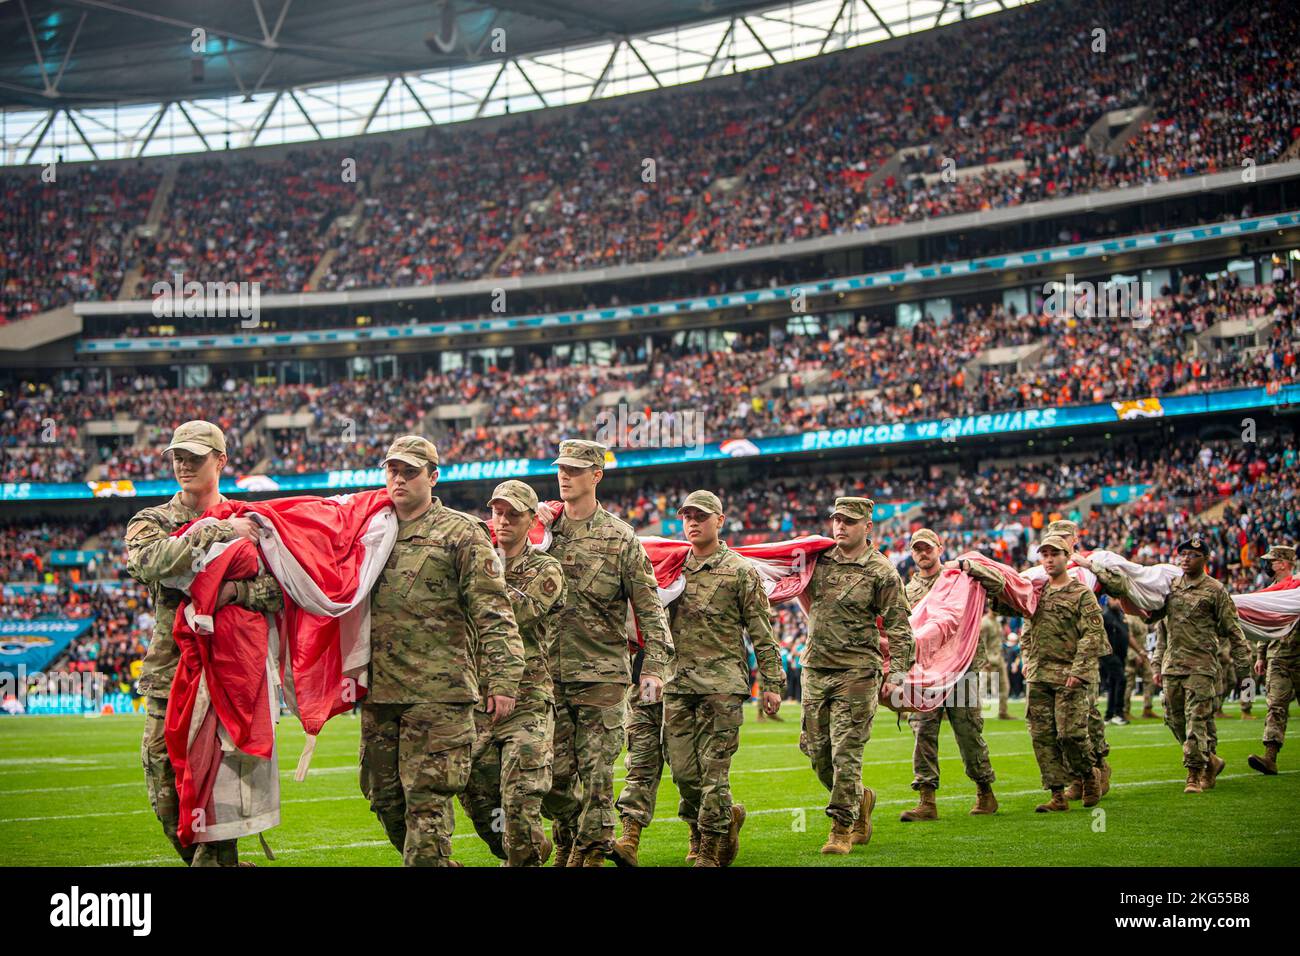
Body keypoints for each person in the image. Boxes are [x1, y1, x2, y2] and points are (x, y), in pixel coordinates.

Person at [360, 436, 524, 866]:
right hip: (379, 695)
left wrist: (504, 680)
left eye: (410, 471)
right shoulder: (369, 529)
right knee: (384, 800)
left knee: (427, 805)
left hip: (441, 695)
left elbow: (494, 610)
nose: (399, 478)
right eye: (392, 470)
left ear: (433, 476)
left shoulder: (461, 532)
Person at [125, 420, 279, 867]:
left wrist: (235, 593)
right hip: (169, 677)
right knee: (166, 799)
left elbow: (277, 591)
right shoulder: (152, 521)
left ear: (221, 461)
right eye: (178, 455)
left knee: (217, 800)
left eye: (195, 456)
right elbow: (150, 562)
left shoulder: (250, 520)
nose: (184, 464)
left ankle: (218, 863)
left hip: (229, 679)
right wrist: (217, 533)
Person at [542, 440, 672, 867]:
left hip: (602, 676)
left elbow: (650, 608)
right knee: (555, 777)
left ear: (596, 475)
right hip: (549, 675)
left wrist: (653, 666)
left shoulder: (620, 537)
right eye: (562, 468)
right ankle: (569, 841)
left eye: (575, 470)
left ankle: (591, 851)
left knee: (597, 773)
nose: (565, 476)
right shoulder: (544, 534)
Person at [657, 490, 783, 867]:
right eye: (687, 516)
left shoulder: (741, 571)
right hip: (678, 683)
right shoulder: (671, 568)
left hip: (723, 685)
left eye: (701, 516)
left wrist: (772, 683)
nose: (693, 522)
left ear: (720, 521)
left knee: (714, 771)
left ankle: (709, 844)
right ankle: (719, 820)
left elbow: (762, 631)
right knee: (682, 772)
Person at [460, 480, 566, 866]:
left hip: (527, 699)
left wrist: (481, 580)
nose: (502, 520)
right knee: (478, 801)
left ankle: (524, 855)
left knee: (519, 798)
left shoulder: (545, 568)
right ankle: (521, 851)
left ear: (530, 520)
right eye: (497, 512)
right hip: (479, 700)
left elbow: (515, 613)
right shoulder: (473, 560)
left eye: (513, 514)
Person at [800, 497, 914, 854]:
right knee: (817, 752)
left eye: (848, 521)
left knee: (846, 753)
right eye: (836, 520)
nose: (839, 527)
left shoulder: (881, 571)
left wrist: (895, 674)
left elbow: (900, 628)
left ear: (867, 526)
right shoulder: (817, 560)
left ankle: (840, 828)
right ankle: (860, 799)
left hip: (858, 673)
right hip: (816, 668)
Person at [899, 529, 1003, 821]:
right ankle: (926, 799)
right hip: (927, 674)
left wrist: (971, 567)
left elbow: (998, 585)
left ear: (940, 548)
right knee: (923, 732)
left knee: (969, 730)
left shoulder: (960, 578)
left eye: (927, 548)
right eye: (917, 549)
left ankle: (985, 790)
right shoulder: (906, 592)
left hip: (963, 668)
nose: (923, 553)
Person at [1000, 533, 1105, 812]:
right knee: (1042, 736)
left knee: (1070, 734)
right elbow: (1026, 631)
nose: (1048, 560)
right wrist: (1027, 661)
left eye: (1054, 554)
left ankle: (1088, 775)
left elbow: (1093, 635)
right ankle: (1057, 794)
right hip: (1039, 675)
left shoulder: (1081, 593)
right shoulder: (1036, 591)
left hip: (1069, 675)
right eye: (1044, 555)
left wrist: (1080, 670)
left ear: (1066, 557)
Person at [1149, 535, 1251, 794]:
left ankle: (1194, 774)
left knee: (1197, 718)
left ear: (1205, 559)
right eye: (1182, 554)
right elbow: (1161, 629)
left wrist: (1243, 668)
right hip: (1172, 666)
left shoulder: (1215, 590)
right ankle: (1211, 761)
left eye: (1192, 555)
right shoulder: (1170, 587)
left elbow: (1233, 629)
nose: (1186, 558)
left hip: (1201, 666)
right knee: (1174, 719)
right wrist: (1156, 664)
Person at [1249, 545, 1299, 774]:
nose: (1269, 565)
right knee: (1275, 706)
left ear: (1283, 563)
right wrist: (1260, 655)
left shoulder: (1296, 588)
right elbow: (1264, 626)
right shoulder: (1270, 591)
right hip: (1278, 656)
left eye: (1273, 561)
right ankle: (1270, 757)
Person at [979, 608, 1012, 720]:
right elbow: (981, 643)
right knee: (981, 688)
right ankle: (975, 713)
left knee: (1004, 686)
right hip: (989, 661)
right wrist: (984, 660)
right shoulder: (984, 623)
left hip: (999, 659)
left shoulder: (997, 621)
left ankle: (1003, 712)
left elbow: (1000, 641)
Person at [1101, 599, 1129, 724]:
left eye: (1119, 599)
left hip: (1120, 654)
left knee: (1113, 682)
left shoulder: (1120, 615)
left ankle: (1109, 715)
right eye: (1114, 599)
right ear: (1108, 600)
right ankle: (1118, 713)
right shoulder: (1105, 615)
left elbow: (1126, 635)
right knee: (1121, 679)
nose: (1118, 602)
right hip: (1110, 655)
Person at [1123, 613, 1157, 720]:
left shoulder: (1141, 617)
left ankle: (1147, 709)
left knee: (1150, 678)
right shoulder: (1129, 618)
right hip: (1132, 654)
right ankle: (1125, 711)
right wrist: (1136, 653)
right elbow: (1128, 637)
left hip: (1143, 653)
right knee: (1129, 683)